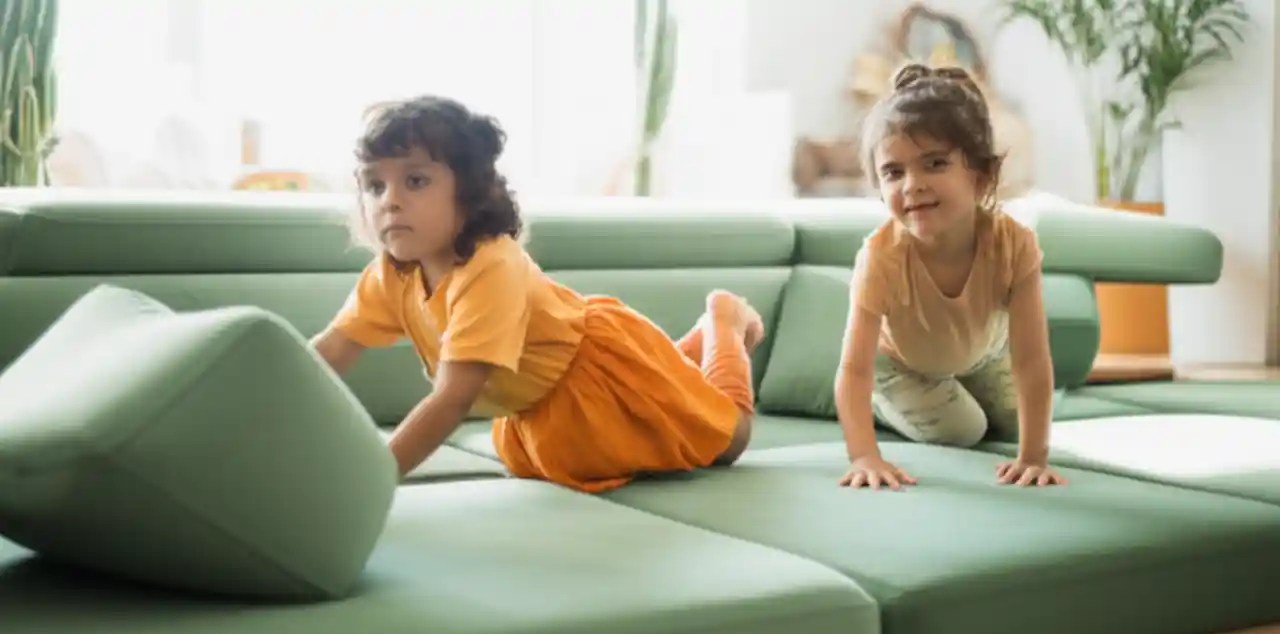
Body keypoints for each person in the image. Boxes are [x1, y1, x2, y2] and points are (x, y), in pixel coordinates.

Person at [309, 95, 764, 493]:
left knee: (726, 439)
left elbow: (452, 398)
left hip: (597, 374)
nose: (389, 200)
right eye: (374, 185)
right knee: (670, 401)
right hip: (539, 406)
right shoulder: (392, 273)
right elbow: (330, 350)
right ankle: (683, 357)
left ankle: (724, 321)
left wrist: (374, 478)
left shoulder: (490, 267)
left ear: (469, 193)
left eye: (416, 181)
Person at [834, 63, 1067, 490]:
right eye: (893, 172)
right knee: (965, 431)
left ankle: (962, 388)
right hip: (904, 367)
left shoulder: (1015, 245)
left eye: (935, 163)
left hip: (980, 355)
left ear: (982, 176)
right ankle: (884, 407)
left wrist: (1035, 457)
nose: (912, 185)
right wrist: (864, 455)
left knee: (1015, 424)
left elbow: (1031, 359)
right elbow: (854, 369)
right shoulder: (880, 257)